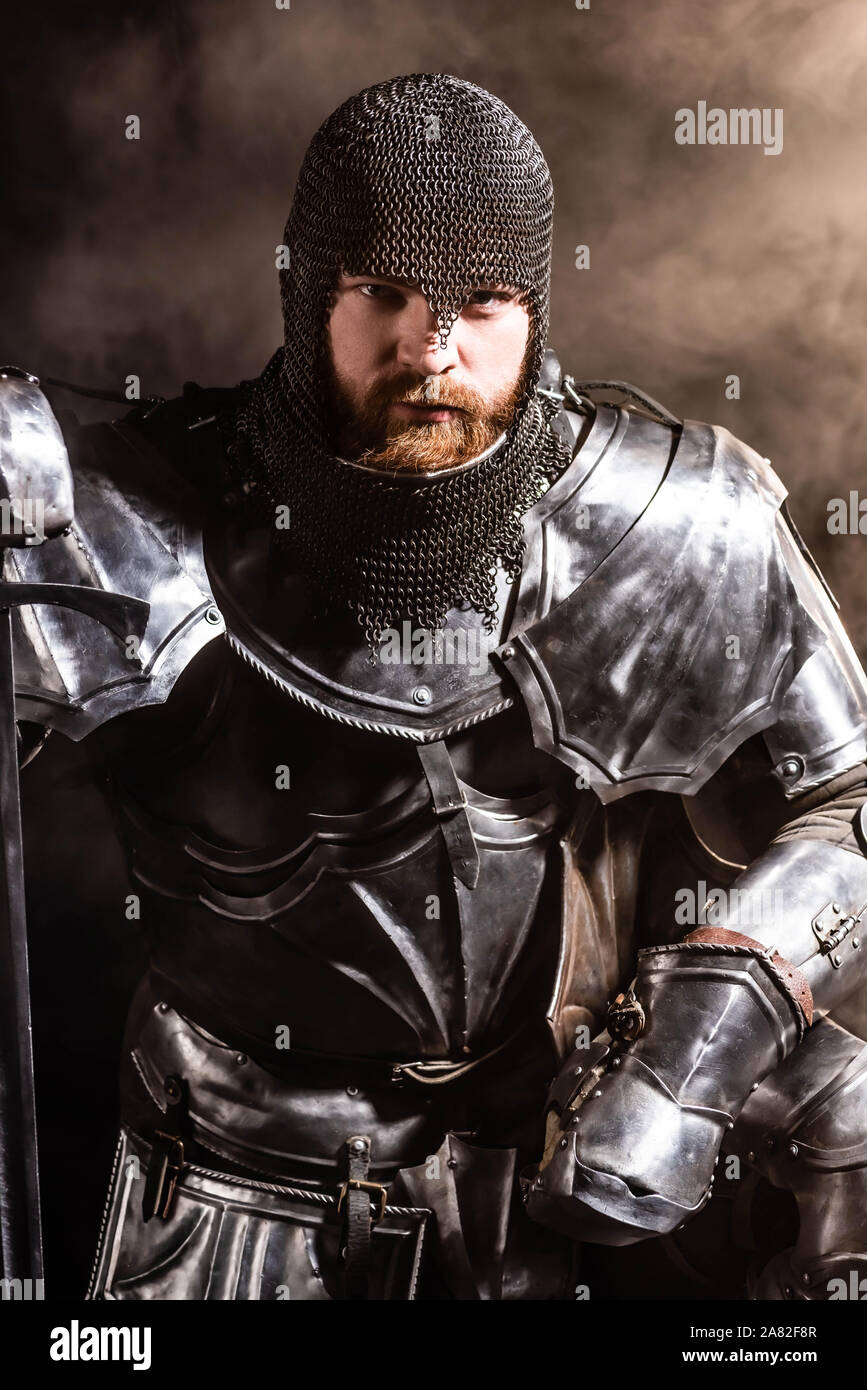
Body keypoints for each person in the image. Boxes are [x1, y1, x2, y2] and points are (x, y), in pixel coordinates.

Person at [6, 72, 867, 1301]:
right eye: (386, 296)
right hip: (231, 1205)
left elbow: (851, 801)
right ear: (311, 298)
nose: (432, 348)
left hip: (541, 1199)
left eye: (481, 301)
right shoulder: (104, 507)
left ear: (534, 306)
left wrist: (690, 1049)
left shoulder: (677, 521)